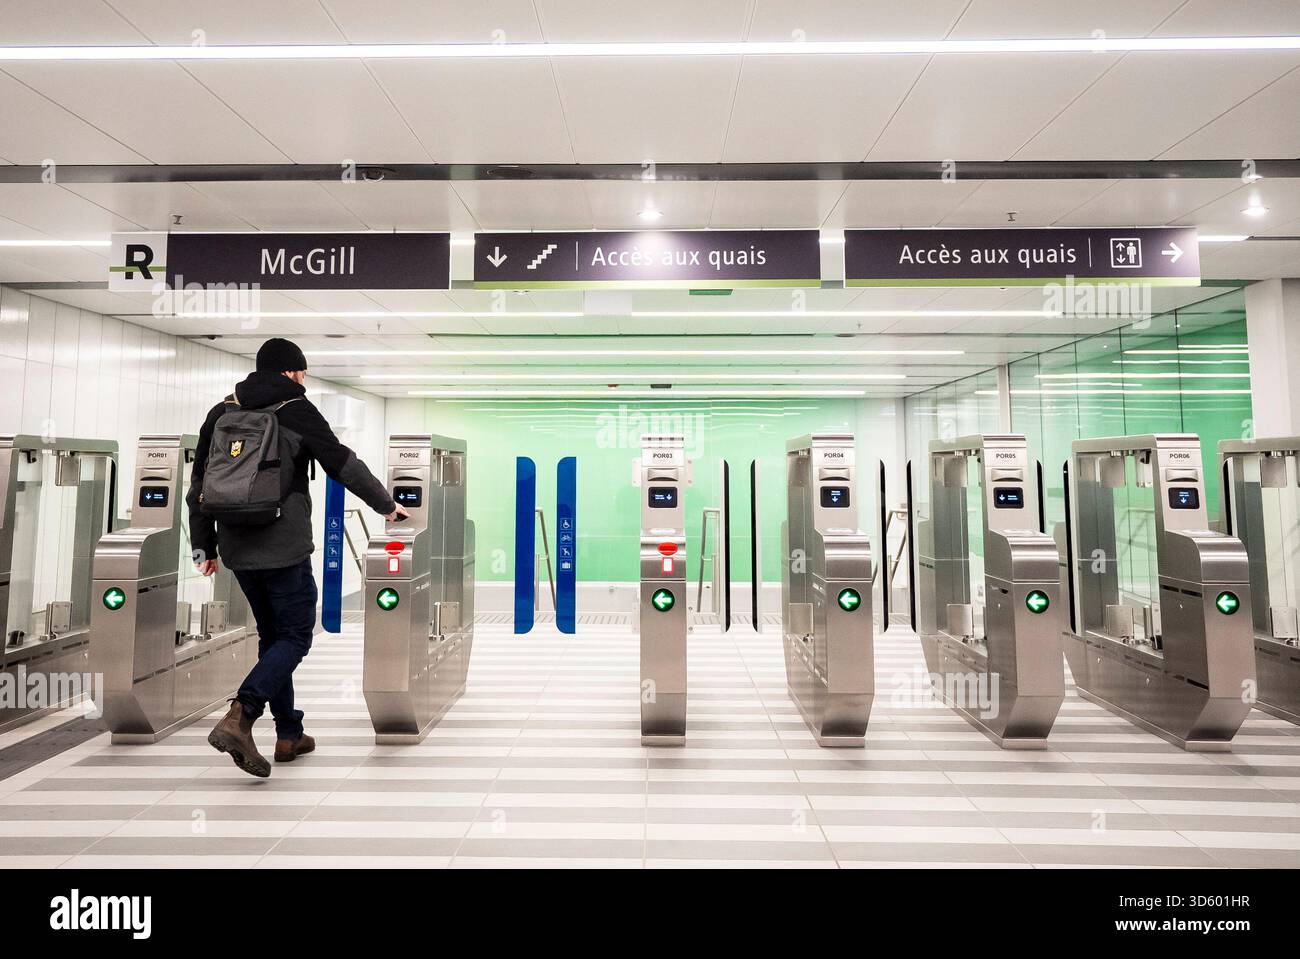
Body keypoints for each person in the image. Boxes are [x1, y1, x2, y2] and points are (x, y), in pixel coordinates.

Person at [188, 337, 406, 778]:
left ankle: (289, 732)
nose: (303, 379)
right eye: (302, 372)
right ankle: (241, 712)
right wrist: (386, 505)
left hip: (235, 546)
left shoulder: (221, 412)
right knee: (296, 636)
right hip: (282, 544)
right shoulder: (294, 409)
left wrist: (204, 545)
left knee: (273, 640)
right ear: (290, 372)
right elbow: (341, 463)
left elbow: (198, 485)